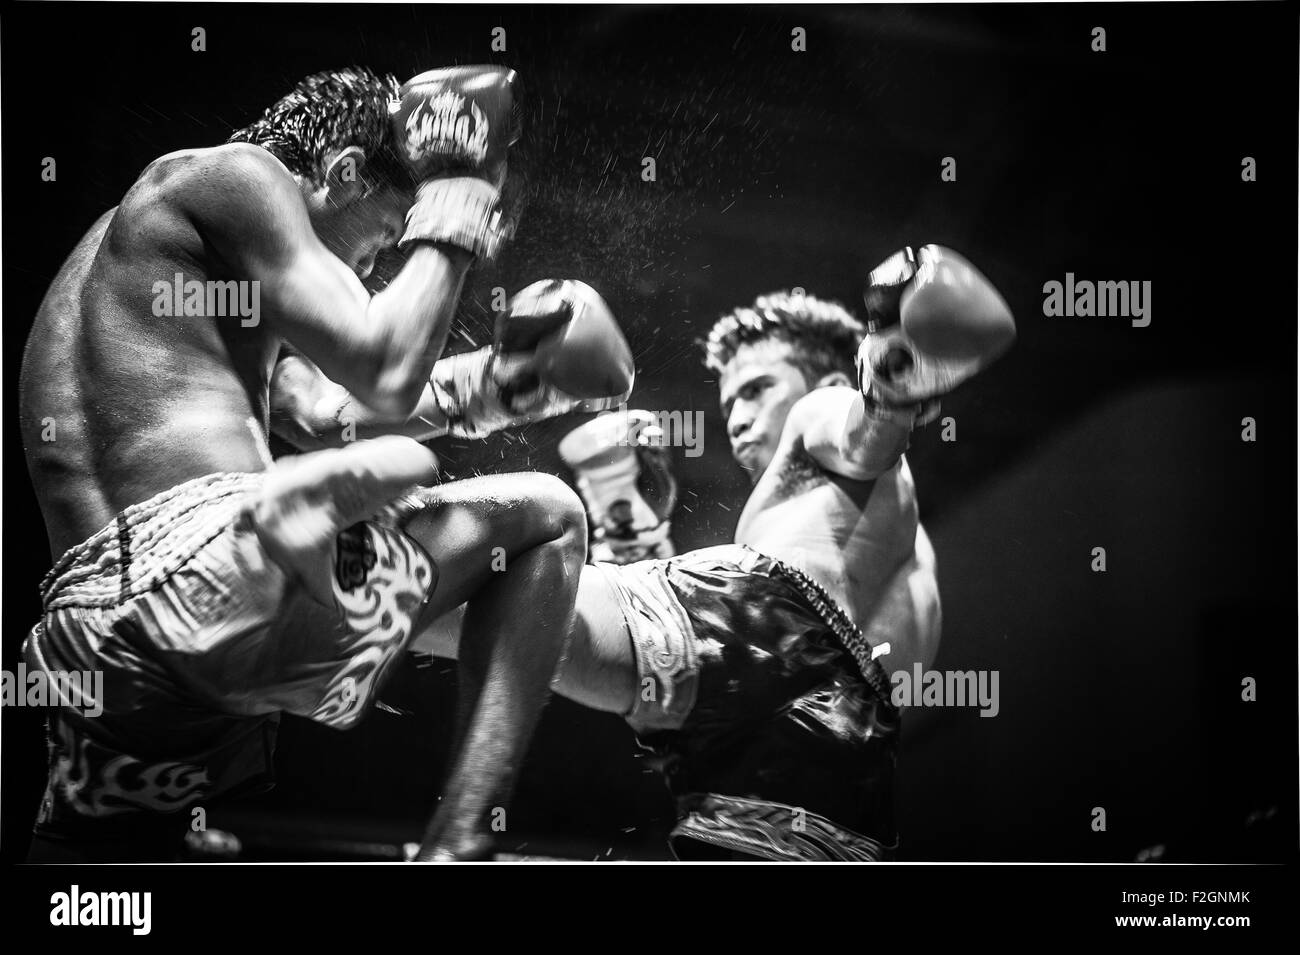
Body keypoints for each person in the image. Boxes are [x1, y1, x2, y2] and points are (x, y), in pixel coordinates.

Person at [18, 64, 633, 862]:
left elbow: (324, 412)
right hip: (211, 569)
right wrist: (459, 193)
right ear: (343, 171)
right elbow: (381, 364)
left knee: (97, 886)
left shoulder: (152, 259)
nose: (378, 272)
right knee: (550, 515)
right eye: (384, 237)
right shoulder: (242, 176)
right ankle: (460, 841)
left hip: (91, 652)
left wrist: (507, 385)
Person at [421, 246, 1015, 859]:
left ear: (837, 379)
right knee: (526, 612)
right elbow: (738, 671)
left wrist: (896, 387)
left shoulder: (830, 409)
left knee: (525, 546)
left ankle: (359, 584)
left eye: (758, 389)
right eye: (730, 401)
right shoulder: (859, 526)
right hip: (842, 784)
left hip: (770, 639)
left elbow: (864, 440)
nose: (737, 416)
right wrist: (638, 534)